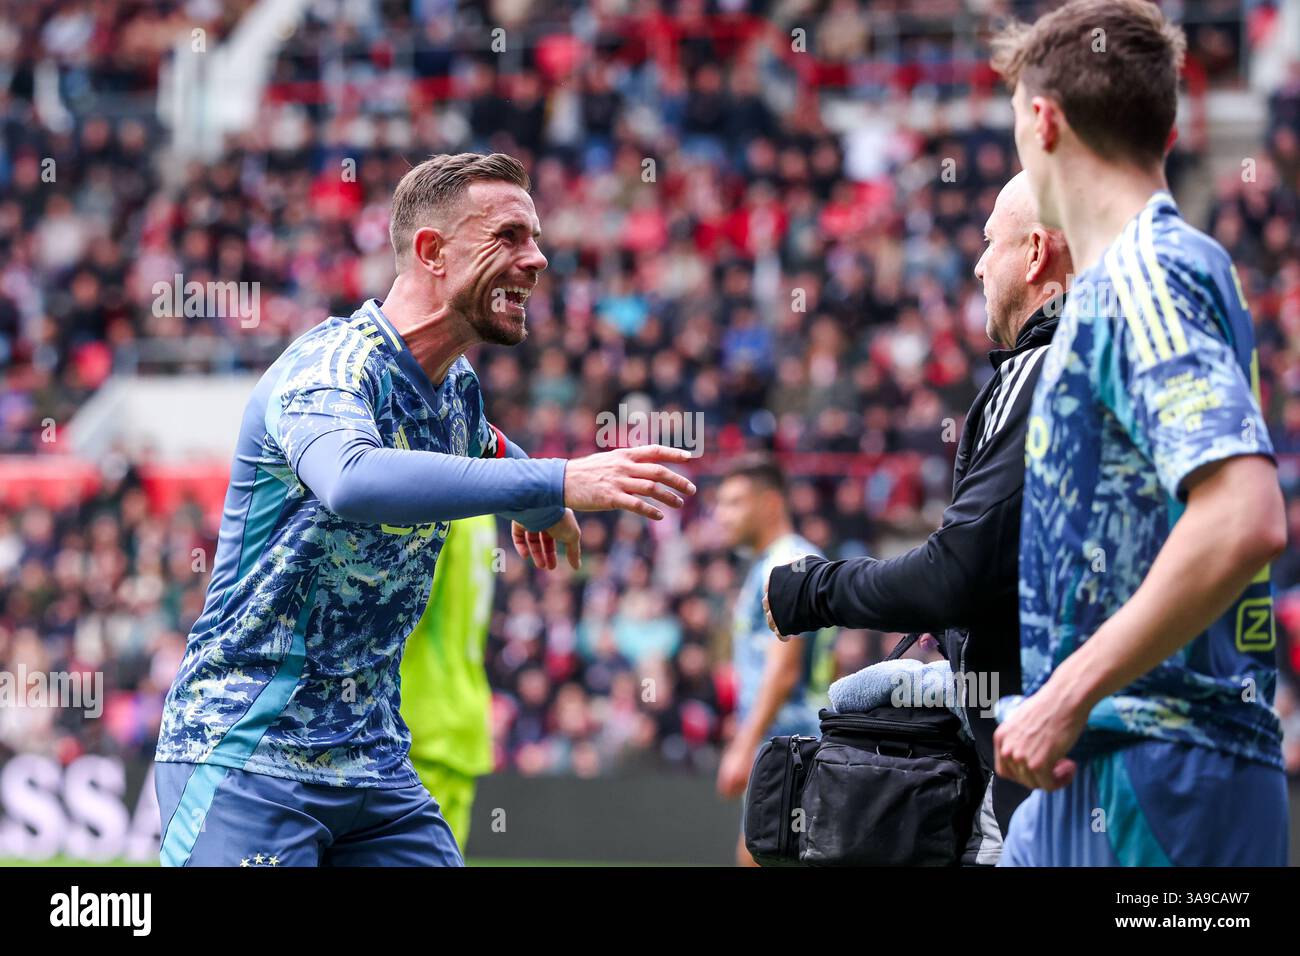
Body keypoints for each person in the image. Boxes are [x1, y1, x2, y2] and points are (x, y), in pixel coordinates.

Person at [154, 152, 696, 867]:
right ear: (431, 251)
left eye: (534, 238)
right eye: (508, 237)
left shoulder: (455, 387)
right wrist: (558, 481)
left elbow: (482, 441)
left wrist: (535, 495)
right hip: (250, 755)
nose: (537, 260)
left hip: (373, 764)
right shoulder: (330, 370)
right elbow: (350, 478)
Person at [990, 0, 1287, 865]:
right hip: (1094, 770)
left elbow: (1243, 517)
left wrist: (1063, 695)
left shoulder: (1146, 275)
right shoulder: (1123, 281)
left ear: (1043, 122)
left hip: (1165, 777)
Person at [764, 172, 1072, 863]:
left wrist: (812, 589)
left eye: (991, 244)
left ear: (1034, 254)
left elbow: (956, 573)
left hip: (1051, 763)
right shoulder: (1103, 355)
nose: (977, 264)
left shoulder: (1045, 366)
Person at [714, 453, 834, 866]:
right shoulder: (774, 562)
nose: (720, 515)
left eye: (733, 502)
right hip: (787, 742)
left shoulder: (787, 563)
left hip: (790, 745)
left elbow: (783, 673)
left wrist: (743, 746)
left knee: (758, 856)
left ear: (769, 504)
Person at [399, 513, 498, 851]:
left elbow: (404, 613)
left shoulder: (438, 504)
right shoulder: (480, 513)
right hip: (459, 718)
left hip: (418, 717)